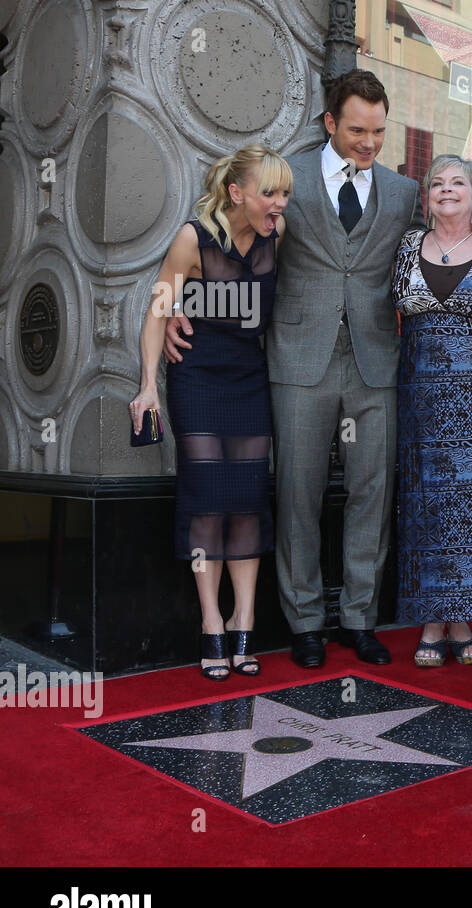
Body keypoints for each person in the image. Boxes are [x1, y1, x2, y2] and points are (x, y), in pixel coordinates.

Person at [167, 71, 424, 668]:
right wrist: (184, 307)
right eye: (357, 130)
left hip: (374, 363)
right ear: (330, 123)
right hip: (295, 362)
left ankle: (360, 618)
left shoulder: (404, 191)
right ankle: (305, 621)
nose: (369, 143)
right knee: (297, 493)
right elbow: (224, 240)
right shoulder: (286, 179)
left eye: (379, 132)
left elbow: (429, 251)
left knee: (370, 494)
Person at [131, 145, 292, 679]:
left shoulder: (277, 236)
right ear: (236, 193)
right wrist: (147, 385)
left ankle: (244, 616)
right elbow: (158, 314)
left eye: (285, 193)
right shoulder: (191, 239)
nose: (279, 204)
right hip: (197, 381)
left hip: (249, 382)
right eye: (269, 193)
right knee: (206, 501)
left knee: (246, 500)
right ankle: (211, 623)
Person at [390, 155, 472, 665]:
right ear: (427, 199)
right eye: (437, 184)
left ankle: (463, 619)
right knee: (426, 509)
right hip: (420, 396)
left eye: (458, 183)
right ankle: (431, 620)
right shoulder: (406, 246)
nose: (446, 190)